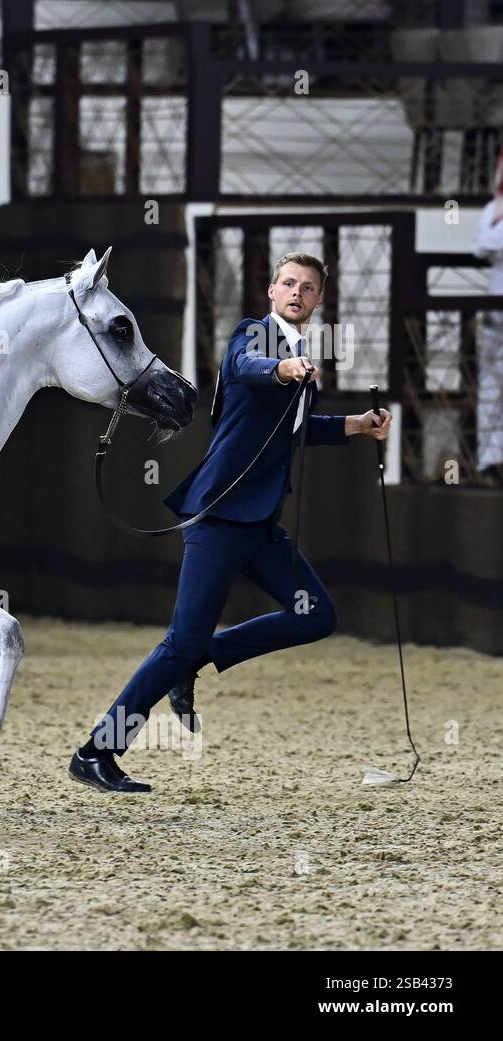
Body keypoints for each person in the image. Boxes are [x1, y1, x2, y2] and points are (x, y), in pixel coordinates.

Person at [69, 253, 391, 793]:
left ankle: (206, 656)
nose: (297, 293)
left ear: (318, 301)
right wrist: (282, 368)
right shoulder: (256, 336)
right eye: (288, 283)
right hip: (219, 515)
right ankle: (96, 752)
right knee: (177, 643)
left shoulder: (302, 353)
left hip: (261, 523)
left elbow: (292, 429)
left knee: (315, 615)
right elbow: (246, 365)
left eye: (308, 288)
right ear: (271, 291)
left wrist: (356, 425)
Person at [471, 148, 503, 480]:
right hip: (497, 311)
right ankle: (491, 459)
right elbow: (481, 246)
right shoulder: (494, 209)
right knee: (492, 385)